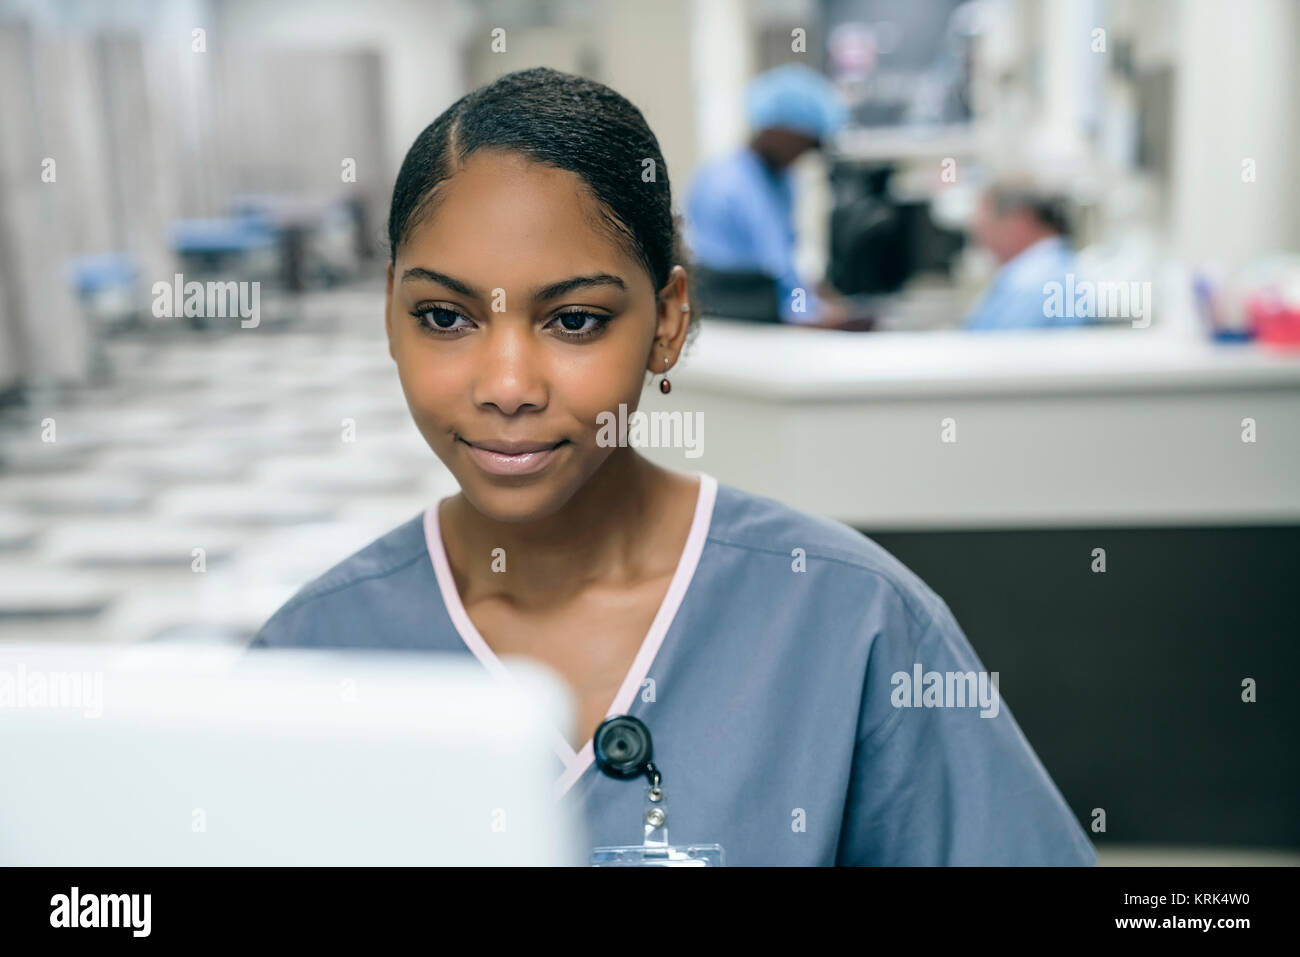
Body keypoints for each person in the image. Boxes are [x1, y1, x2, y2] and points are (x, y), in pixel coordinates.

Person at [249, 67, 1096, 866]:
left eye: (575, 320)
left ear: (668, 320)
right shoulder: (315, 652)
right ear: (390, 315)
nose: (506, 387)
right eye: (443, 315)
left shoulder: (851, 620)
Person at [686, 64, 859, 327]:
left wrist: (824, 300)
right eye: (804, 143)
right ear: (777, 129)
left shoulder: (782, 180)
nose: (803, 154)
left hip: (768, 317)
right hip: (737, 322)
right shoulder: (724, 182)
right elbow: (746, 282)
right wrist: (811, 317)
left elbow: (785, 269)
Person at [963, 179, 1088, 330]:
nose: (981, 240)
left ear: (1020, 221)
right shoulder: (1054, 271)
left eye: (985, 226)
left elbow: (998, 348)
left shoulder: (1033, 284)